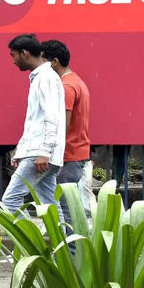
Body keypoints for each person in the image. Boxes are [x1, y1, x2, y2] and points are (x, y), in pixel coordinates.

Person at [2, 34, 66, 222]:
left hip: (40, 153)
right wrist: (22, 150)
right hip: (41, 152)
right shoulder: (43, 77)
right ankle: (61, 241)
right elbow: (35, 120)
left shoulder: (45, 78)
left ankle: (30, 238)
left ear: (25, 53)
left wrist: (44, 152)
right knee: (49, 203)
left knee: (10, 200)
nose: (13, 61)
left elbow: (51, 117)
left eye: (14, 55)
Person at [42, 40, 90, 227]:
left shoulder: (66, 86)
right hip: (76, 152)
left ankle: (72, 244)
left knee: (66, 208)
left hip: (68, 154)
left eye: (44, 62)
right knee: (70, 206)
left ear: (54, 62)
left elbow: (63, 125)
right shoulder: (76, 81)